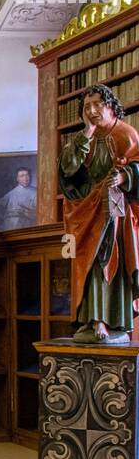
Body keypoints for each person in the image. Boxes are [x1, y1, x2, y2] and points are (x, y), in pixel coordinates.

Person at [58, 84, 139, 343]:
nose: (92, 111)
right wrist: (86, 135)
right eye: (86, 107)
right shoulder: (84, 138)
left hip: (116, 213)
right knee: (88, 262)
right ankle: (90, 319)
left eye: (97, 105)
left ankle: (112, 321)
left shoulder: (127, 134)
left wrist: (124, 176)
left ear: (111, 106)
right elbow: (68, 169)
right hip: (86, 212)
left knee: (107, 260)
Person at [0, 165, 37, 230]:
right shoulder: (11, 193)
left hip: (28, 226)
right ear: (17, 179)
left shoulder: (36, 192)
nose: (25, 178)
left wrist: (27, 213)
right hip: (9, 226)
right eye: (22, 176)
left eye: (27, 175)